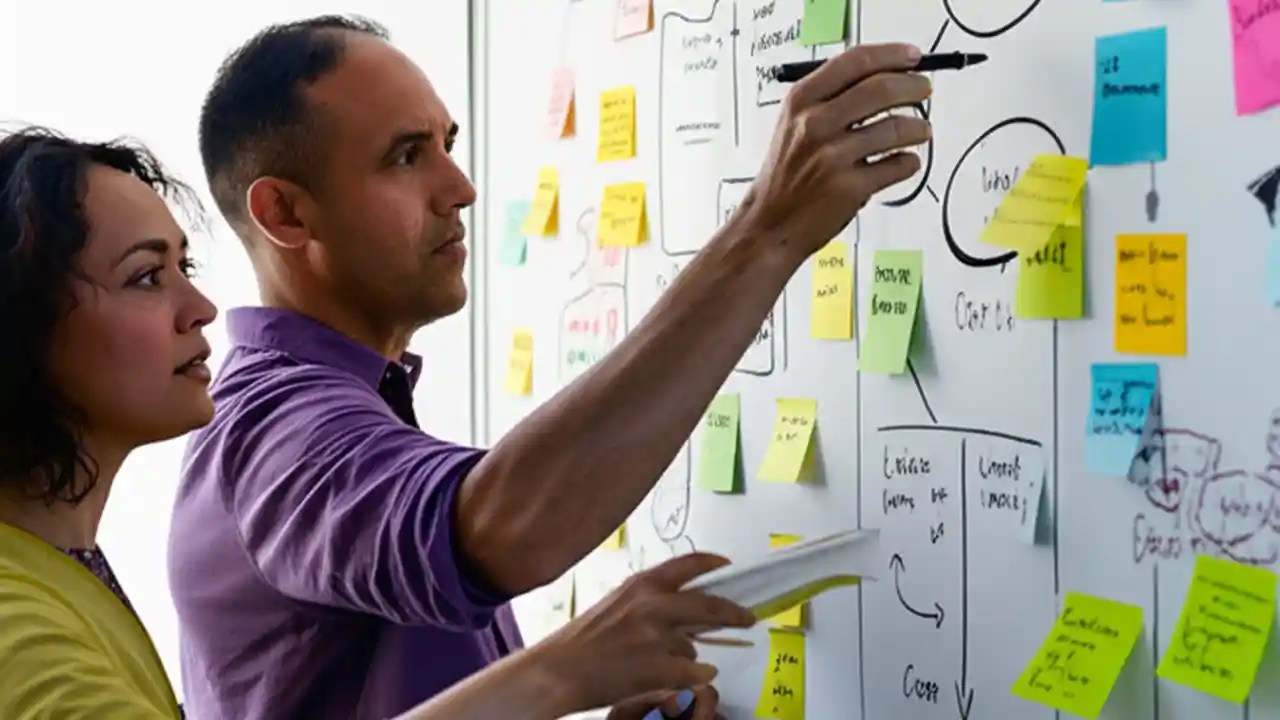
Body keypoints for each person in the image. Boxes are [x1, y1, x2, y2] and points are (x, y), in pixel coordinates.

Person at [171, 13, 931, 720]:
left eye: (447, 144)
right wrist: (767, 231)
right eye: (405, 156)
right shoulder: (274, 431)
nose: (460, 189)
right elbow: (497, 534)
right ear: (286, 214)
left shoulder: (349, 403)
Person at [0, 126, 756, 720]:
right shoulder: (18, 622)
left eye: (183, 269)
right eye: (144, 277)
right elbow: (497, 530)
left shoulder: (62, 568)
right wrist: (560, 673)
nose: (199, 308)